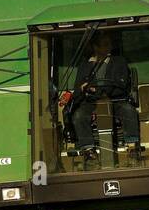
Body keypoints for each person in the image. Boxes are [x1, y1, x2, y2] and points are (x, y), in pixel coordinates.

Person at [60, 31, 140, 161]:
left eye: (109, 44)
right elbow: (78, 88)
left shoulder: (119, 61)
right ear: (95, 47)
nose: (108, 47)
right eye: (105, 44)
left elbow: (122, 84)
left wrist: (96, 89)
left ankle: (132, 145)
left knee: (128, 110)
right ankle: (88, 149)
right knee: (79, 115)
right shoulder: (85, 66)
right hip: (91, 102)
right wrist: (83, 88)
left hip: (116, 99)